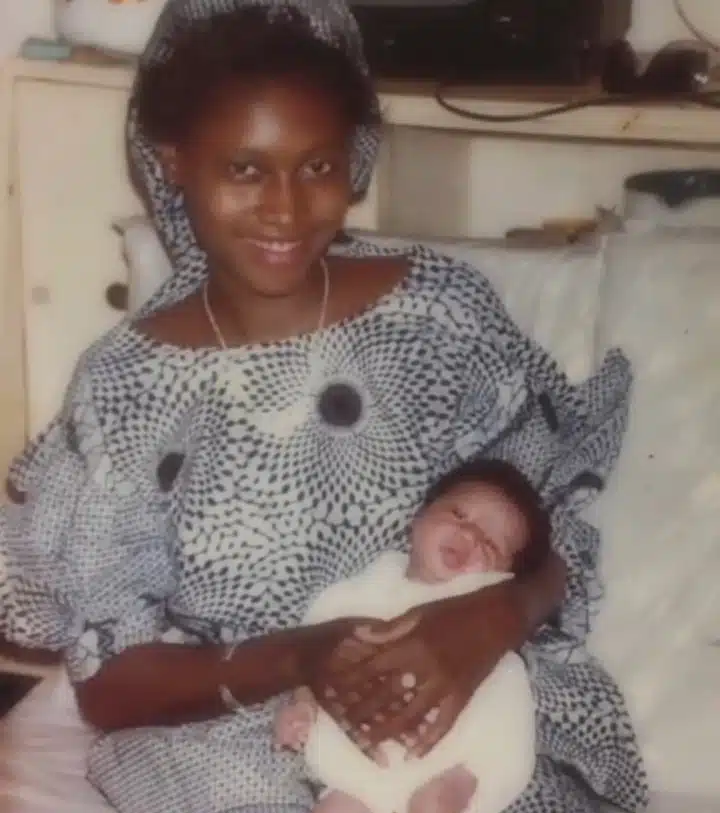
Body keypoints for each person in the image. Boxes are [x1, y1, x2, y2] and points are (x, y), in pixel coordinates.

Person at [0, 2, 648, 813]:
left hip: (467, 707)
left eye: (317, 167)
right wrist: (300, 657)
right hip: (243, 734)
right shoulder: (125, 388)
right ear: (173, 161)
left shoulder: (437, 315)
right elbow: (107, 681)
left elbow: (560, 524)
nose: (286, 209)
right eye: (244, 169)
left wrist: (496, 615)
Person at [274, 459, 549, 813]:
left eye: (490, 544)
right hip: (356, 776)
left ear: (504, 580)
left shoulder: (487, 630)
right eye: (458, 514)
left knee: (506, 681)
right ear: (419, 517)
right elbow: (309, 653)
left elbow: (508, 728)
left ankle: (460, 786)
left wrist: (465, 778)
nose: (468, 535)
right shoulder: (362, 592)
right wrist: (301, 705)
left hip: (444, 771)